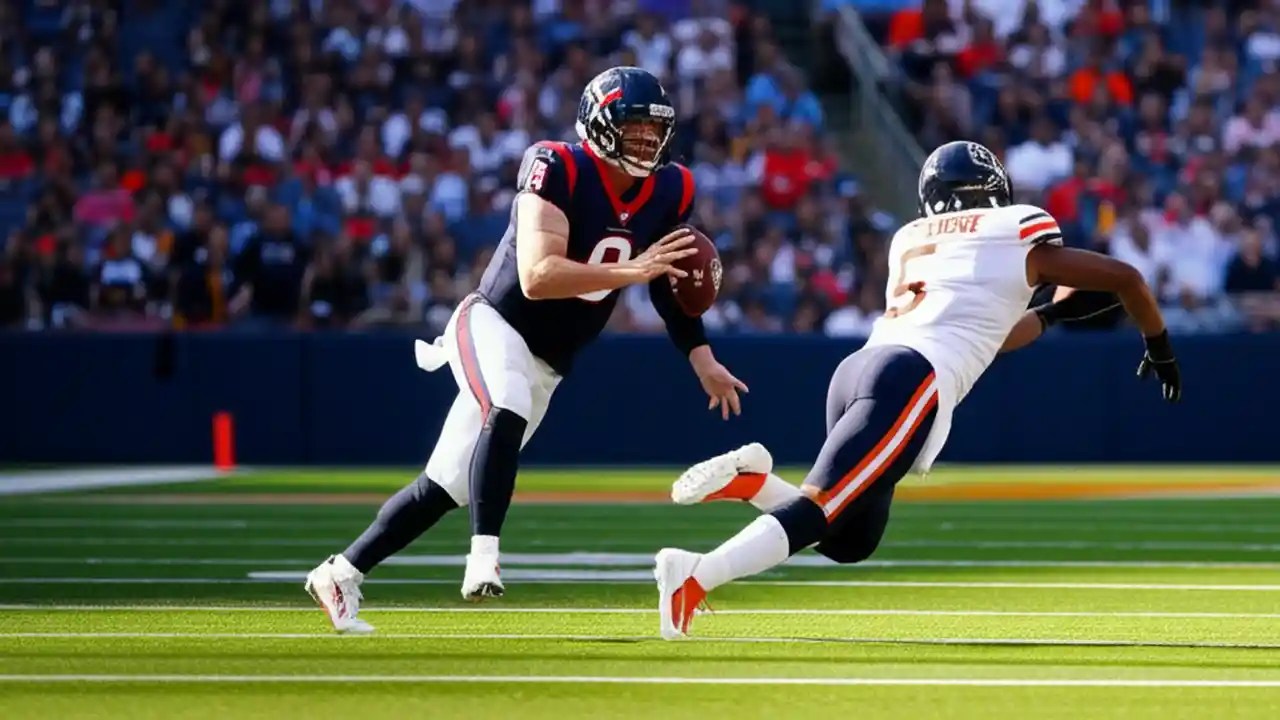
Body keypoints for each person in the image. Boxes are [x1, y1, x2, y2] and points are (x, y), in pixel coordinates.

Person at [653, 140, 1182, 640]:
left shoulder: (912, 238)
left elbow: (992, 335)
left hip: (862, 369)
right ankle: (695, 574)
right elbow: (1126, 278)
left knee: (849, 540)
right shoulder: (1015, 227)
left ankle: (753, 482)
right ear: (991, 188)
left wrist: (1047, 314)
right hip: (908, 378)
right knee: (821, 507)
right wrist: (1160, 346)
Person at [304, 66, 747, 633]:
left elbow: (667, 280)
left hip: (549, 361)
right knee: (506, 399)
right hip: (492, 322)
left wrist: (700, 356)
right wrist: (631, 270)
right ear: (599, 124)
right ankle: (484, 557)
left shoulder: (672, 188)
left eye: (652, 129)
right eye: (632, 127)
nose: (645, 140)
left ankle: (340, 572)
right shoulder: (557, 165)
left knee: (443, 486)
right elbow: (537, 275)